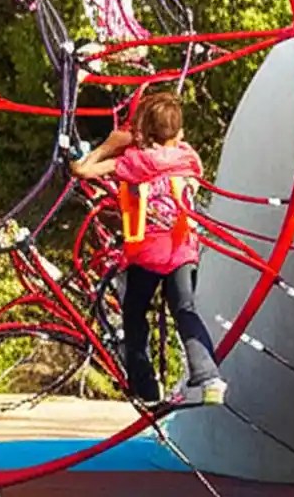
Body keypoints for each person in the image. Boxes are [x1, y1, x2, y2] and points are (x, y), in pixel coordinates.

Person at [71, 91, 226, 406]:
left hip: (146, 253)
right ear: (179, 133)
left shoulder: (132, 163)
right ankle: (208, 376)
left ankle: (145, 387)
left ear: (144, 133)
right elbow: (182, 161)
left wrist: (110, 144)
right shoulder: (188, 159)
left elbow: (82, 171)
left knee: (134, 314)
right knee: (185, 311)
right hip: (183, 250)